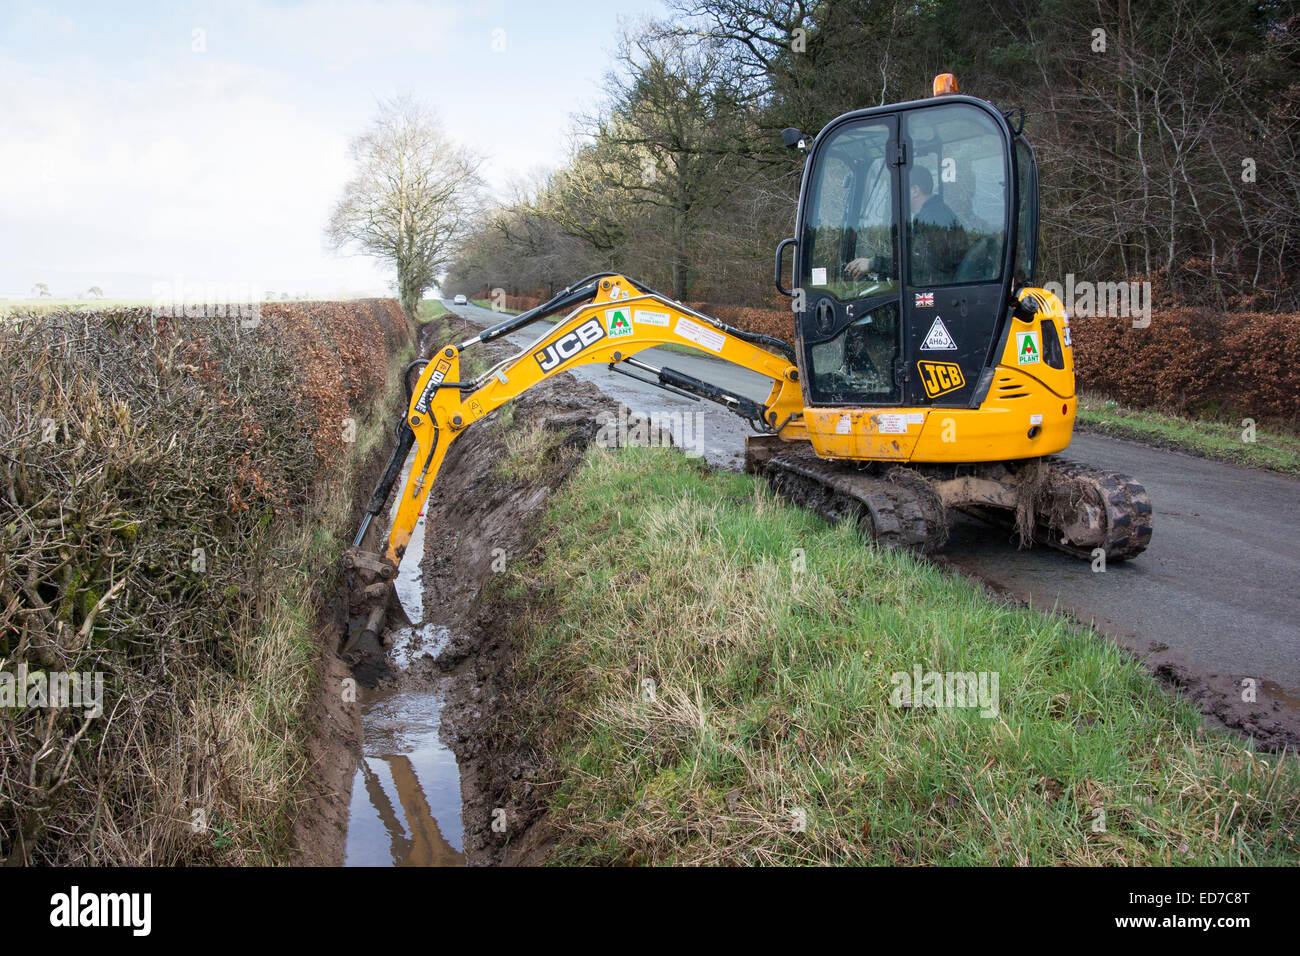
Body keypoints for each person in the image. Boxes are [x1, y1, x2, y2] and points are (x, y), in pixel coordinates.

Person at [846, 165, 964, 280]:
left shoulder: (933, 219)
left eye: (900, 190)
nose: (897, 197)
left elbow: (919, 266)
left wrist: (873, 264)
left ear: (914, 191)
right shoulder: (933, 213)